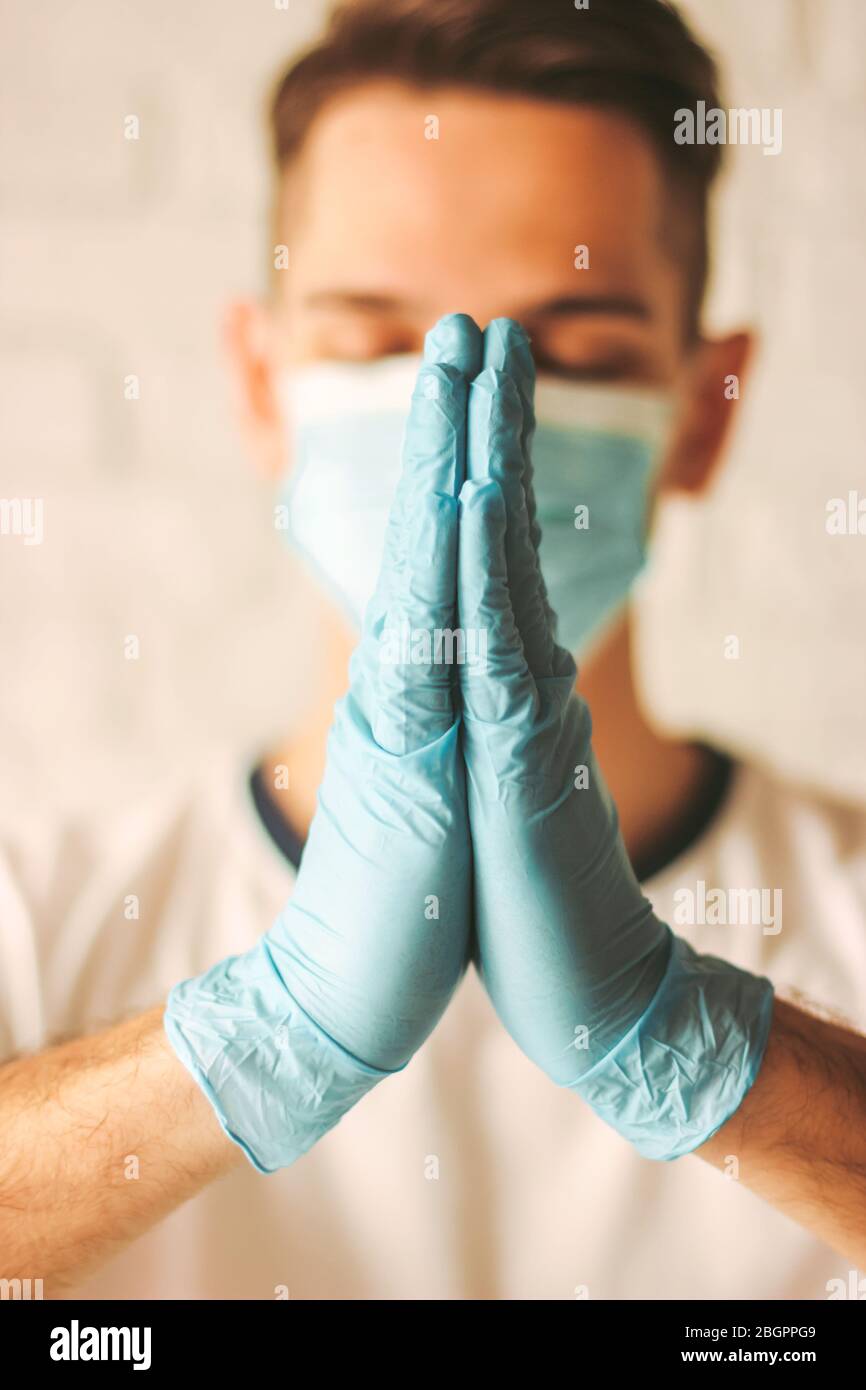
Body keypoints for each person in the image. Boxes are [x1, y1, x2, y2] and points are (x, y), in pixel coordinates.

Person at [2, 0, 866, 1301]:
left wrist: (706, 1054)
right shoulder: (39, 923)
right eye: (375, 337)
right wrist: (254, 1041)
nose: (464, 408)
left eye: (573, 346)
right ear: (256, 381)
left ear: (702, 412)